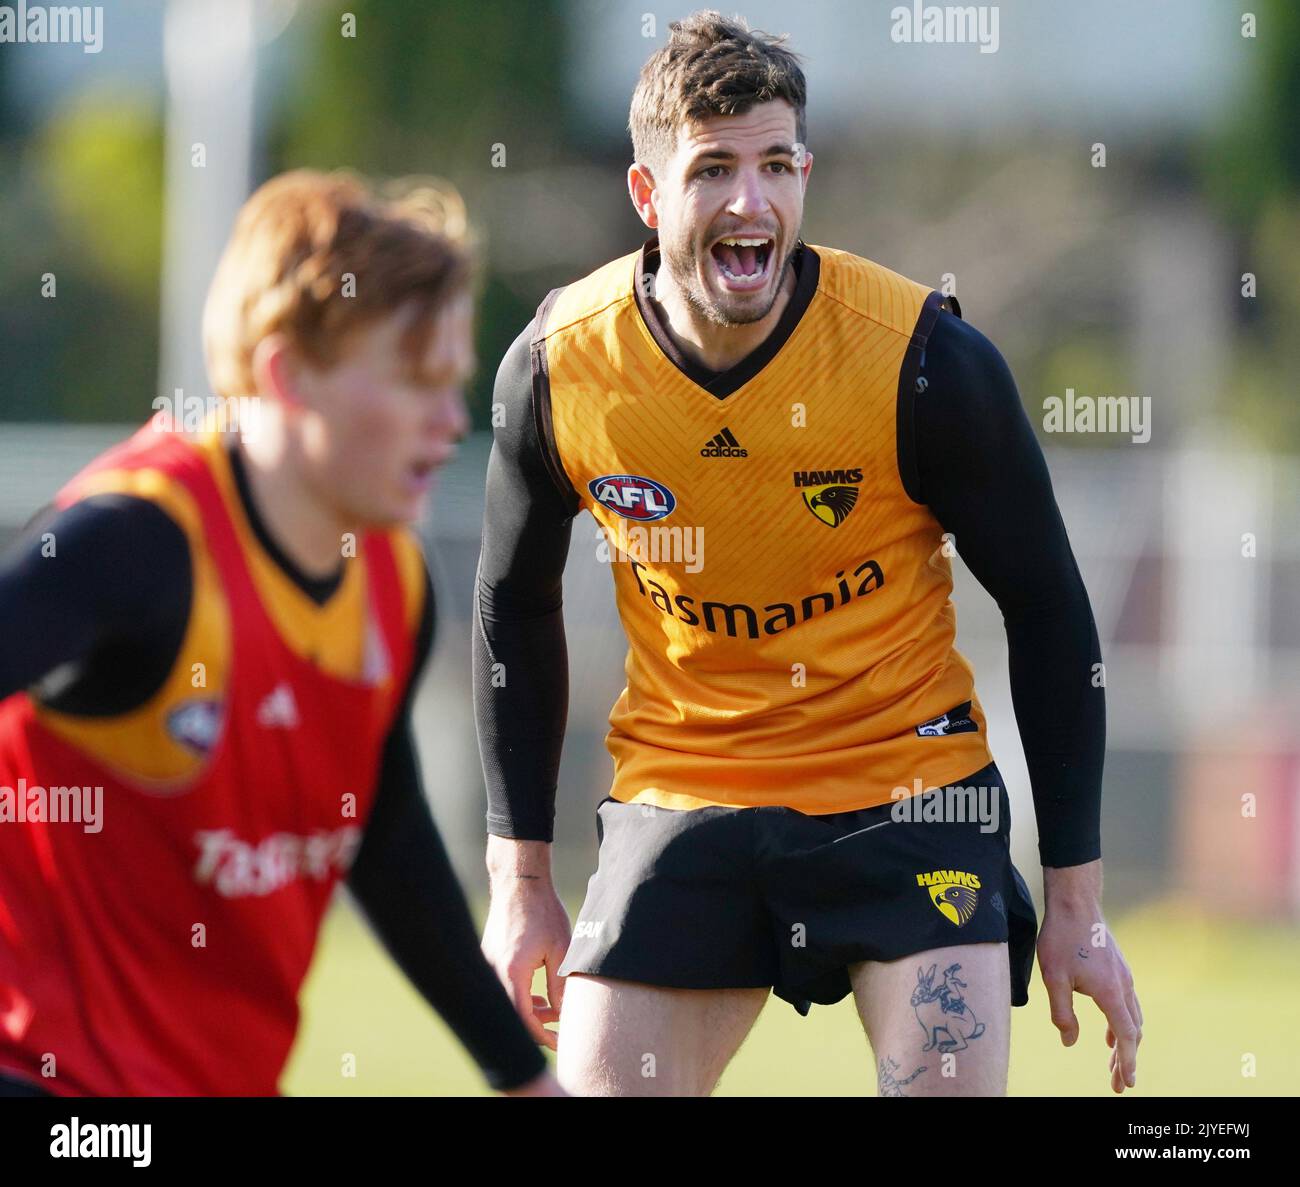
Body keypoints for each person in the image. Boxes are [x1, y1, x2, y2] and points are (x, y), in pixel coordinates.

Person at [474, 11, 1141, 1096]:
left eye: (776, 165)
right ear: (646, 197)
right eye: (714, 169)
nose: (751, 203)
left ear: (805, 177)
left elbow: (1052, 609)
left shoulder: (923, 362)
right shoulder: (560, 367)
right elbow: (512, 603)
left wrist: (1076, 903)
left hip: (909, 788)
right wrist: (520, 880)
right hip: (686, 792)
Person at [0, 169, 559, 1097]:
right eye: (415, 380)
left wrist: (524, 1077)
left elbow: (381, 835)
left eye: (454, 383)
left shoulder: (389, 576)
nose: (452, 421)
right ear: (286, 372)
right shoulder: (134, 540)